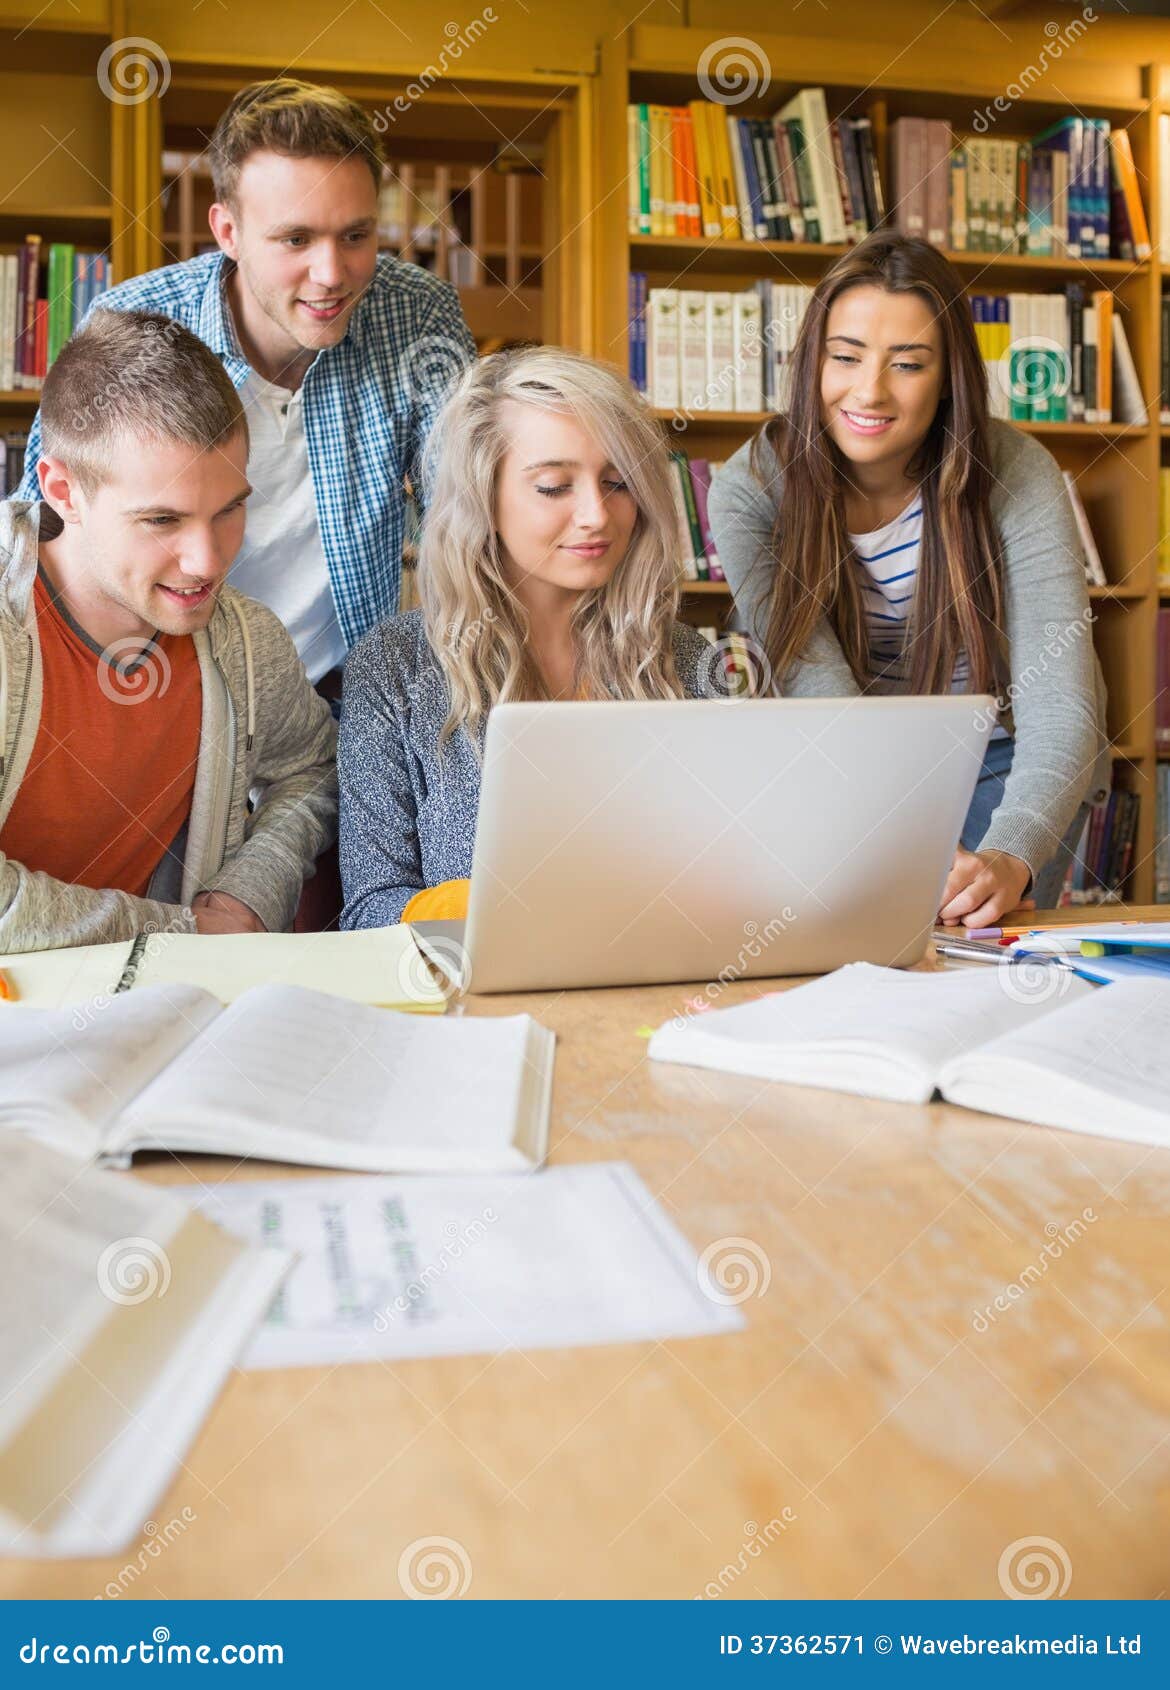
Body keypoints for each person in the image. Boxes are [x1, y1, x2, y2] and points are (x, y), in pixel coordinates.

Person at [18, 78, 477, 689]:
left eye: (356, 236)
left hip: (343, 694)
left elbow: (471, 497)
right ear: (227, 231)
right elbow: (39, 524)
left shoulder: (417, 312)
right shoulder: (134, 320)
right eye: (295, 239)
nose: (331, 274)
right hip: (166, 683)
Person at [708, 232, 1108, 926]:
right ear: (813, 362)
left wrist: (1009, 857)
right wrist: (907, 842)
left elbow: (1060, 705)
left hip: (1000, 755)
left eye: (908, 364)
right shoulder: (750, 490)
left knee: (979, 944)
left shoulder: (1017, 471)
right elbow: (820, 690)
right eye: (846, 356)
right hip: (841, 758)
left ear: (949, 373)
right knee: (854, 944)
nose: (870, 391)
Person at [338, 347, 726, 928]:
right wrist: (520, 908)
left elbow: (734, 874)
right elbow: (370, 908)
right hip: (474, 1007)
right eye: (553, 487)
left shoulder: (686, 660)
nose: (597, 514)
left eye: (618, 482)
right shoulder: (395, 668)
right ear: (483, 496)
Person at [0, 309, 336, 953]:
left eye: (230, 511)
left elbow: (314, 769)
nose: (208, 562)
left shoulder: (246, 639)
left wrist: (247, 892)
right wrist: (184, 931)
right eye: (162, 520)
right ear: (62, 491)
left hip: (163, 1009)